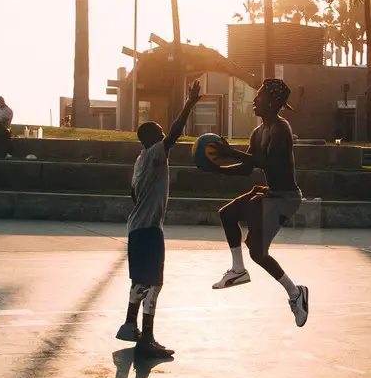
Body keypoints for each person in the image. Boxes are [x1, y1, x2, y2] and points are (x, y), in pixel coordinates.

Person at [210, 78, 309, 326]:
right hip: (272, 194)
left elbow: (266, 162)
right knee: (227, 215)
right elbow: (246, 168)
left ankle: (295, 293)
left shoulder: (281, 129)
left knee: (256, 241)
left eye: (260, 96)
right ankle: (240, 271)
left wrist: (230, 152)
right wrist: (218, 169)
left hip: (285, 198)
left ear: (274, 103)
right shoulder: (258, 132)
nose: (255, 100)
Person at [116, 80, 202, 360]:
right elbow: (175, 134)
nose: (165, 135)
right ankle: (147, 339)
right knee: (154, 283)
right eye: (160, 133)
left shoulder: (139, 160)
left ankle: (130, 326)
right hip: (149, 229)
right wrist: (189, 103)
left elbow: (131, 193)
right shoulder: (155, 153)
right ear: (152, 138)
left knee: (140, 280)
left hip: (136, 227)